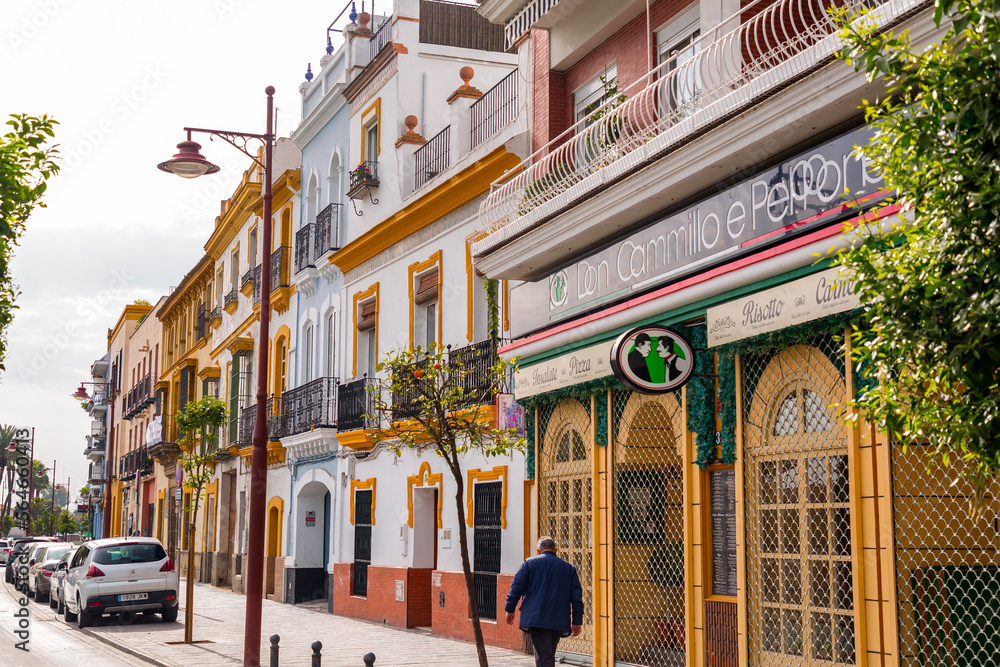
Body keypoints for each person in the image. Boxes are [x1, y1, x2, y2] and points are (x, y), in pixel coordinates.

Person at [505, 537, 583, 667]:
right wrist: (577, 621)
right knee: (548, 654)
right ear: (555, 550)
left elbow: (516, 587)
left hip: (537, 617)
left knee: (544, 656)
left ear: (538, 550)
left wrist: (510, 608)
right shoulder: (568, 568)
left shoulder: (529, 564)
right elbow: (576, 597)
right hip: (559, 618)